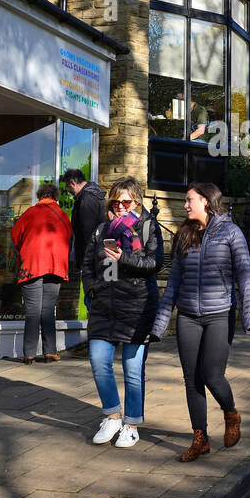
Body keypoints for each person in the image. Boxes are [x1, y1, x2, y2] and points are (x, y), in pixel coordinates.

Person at [151, 182, 250, 462]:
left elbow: (245, 276)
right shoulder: (184, 235)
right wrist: (159, 324)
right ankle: (200, 437)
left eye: (189, 200)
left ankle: (231, 413)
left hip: (219, 314)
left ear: (207, 201)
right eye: (185, 201)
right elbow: (173, 283)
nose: (185, 205)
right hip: (187, 315)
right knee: (191, 379)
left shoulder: (231, 232)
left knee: (212, 375)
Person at [82, 177, 164, 449]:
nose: (119, 206)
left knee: (132, 369)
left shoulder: (147, 226)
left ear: (137, 202)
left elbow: (154, 263)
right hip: (105, 307)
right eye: (115, 201)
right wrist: (93, 289)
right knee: (98, 360)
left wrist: (122, 259)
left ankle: (131, 425)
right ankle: (112, 415)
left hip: (137, 307)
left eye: (125, 201)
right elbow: (87, 265)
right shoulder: (101, 230)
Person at [9, 182, 72, 362]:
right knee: (47, 310)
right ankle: (50, 351)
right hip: (56, 266)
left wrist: (26, 248)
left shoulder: (30, 213)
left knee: (32, 310)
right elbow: (69, 238)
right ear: (55, 197)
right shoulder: (62, 215)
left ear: (39, 196)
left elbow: (15, 235)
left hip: (32, 265)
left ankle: (29, 354)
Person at [64, 168, 107, 358]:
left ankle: (96, 346)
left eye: (68, 187)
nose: (68, 191)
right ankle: (94, 343)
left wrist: (85, 260)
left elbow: (88, 233)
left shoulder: (86, 199)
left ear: (73, 182)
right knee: (95, 301)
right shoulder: (94, 195)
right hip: (97, 258)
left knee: (92, 301)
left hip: (93, 260)